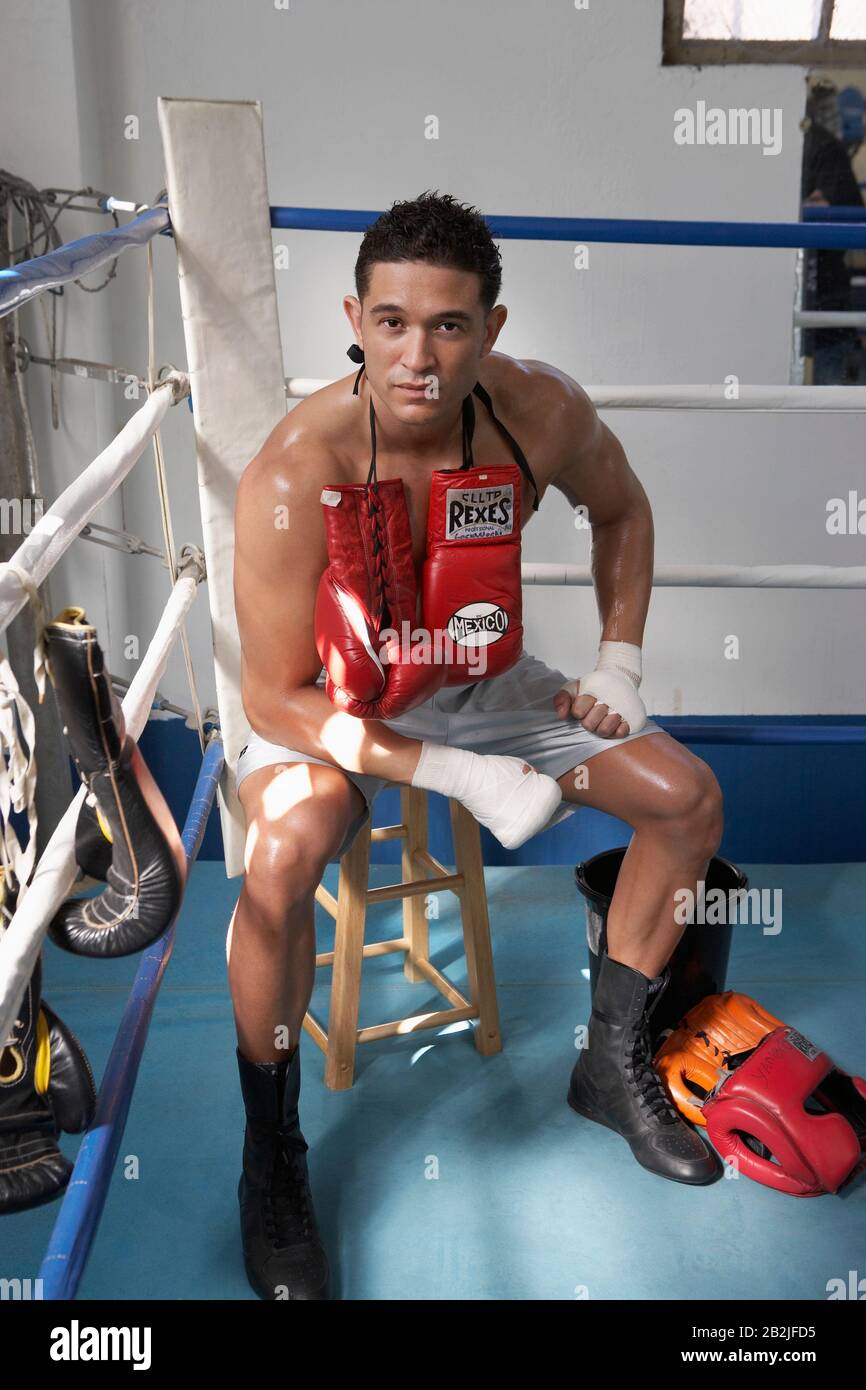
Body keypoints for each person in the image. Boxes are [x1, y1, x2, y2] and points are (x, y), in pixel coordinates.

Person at [230, 191, 724, 1301]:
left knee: (685, 800)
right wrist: (450, 775)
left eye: (448, 325)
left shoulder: (538, 410)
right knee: (280, 852)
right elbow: (270, 693)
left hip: (475, 682)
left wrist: (617, 666)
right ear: (354, 316)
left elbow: (623, 510)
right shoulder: (292, 467)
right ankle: (271, 1154)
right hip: (324, 695)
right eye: (393, 322)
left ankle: (607, 1064)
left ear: (490, 330)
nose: (418, 355)